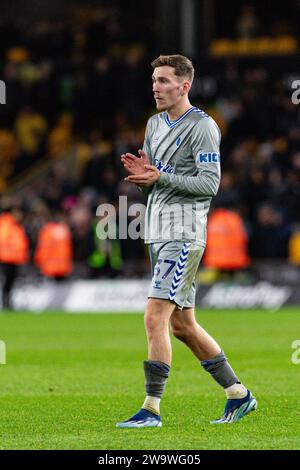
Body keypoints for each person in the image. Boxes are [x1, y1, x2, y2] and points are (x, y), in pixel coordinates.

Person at [117, 55, 257, 428]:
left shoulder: (203, 127)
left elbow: (210, 185)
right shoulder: (153, 124)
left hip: (184, 235)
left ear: (184, 86)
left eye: (163, 81)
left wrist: (159, 176)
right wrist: (148, 179)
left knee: (154, 317)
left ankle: (150, 409)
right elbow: (158, 180)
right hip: (158, 232)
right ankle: (238, 395)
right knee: (183, 326)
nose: (155, 87)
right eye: (153, 80)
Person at [0, 208, 29, 310]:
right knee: (7, 281)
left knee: (11, 282)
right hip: (6, 258)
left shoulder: (17, 227)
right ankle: (5, 301)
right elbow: (3, 240)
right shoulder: (6, 224)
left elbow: (21, 244)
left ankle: (7, 301)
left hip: (15, 259)